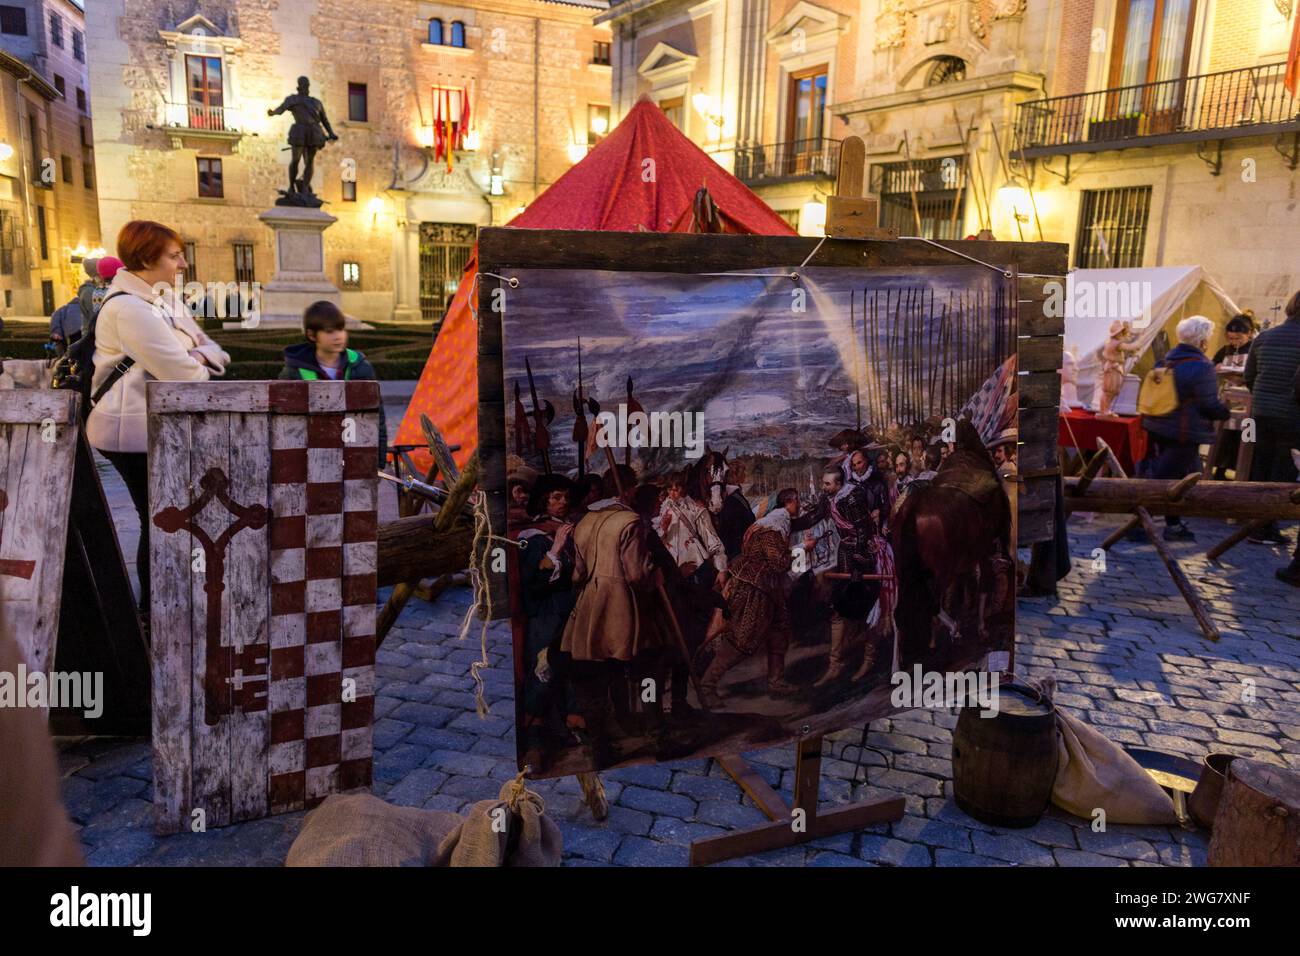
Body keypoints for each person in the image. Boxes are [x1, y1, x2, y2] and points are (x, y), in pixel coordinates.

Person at [86, 221, 231, 623]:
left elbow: (214, 350)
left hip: (158, 427)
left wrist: (198, 355)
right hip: (129, 432)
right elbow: (190, 375)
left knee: (166, 516)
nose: (183, 264)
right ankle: (153, 612)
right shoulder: (129, 308)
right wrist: (195, 357)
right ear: (147, 259)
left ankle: (163, 606)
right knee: (158, 518)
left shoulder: (162, 299)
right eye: (174, 256)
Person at [1139, 315, 1230, 541]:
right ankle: (1139, 524)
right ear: (1203, 341)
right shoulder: (1202, 367)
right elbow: (1208, 404)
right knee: (1164, 479)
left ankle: (1173, 524)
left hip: (1158, 426)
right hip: (1183, 432)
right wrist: (1224, 412)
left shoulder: (1165, 360)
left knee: (1176, 478)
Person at [279, 300, 387, 465]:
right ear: (311, 335)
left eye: (341, 329)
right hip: (310, 458)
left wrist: (379, 460)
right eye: (329, 331)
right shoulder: (293, 373)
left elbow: (377, 416)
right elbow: (283, 425)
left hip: (354, 454)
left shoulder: (360, 367)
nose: (338, 336)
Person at [1243, 291, 1300, 548]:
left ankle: (1255, 519)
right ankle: (1266, 525)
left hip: (1260, 413)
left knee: (1261, 464)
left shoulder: (1264, 337)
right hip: (1292, 415)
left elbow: (1249, 375)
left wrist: (1262, 397)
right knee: (1284, 470)